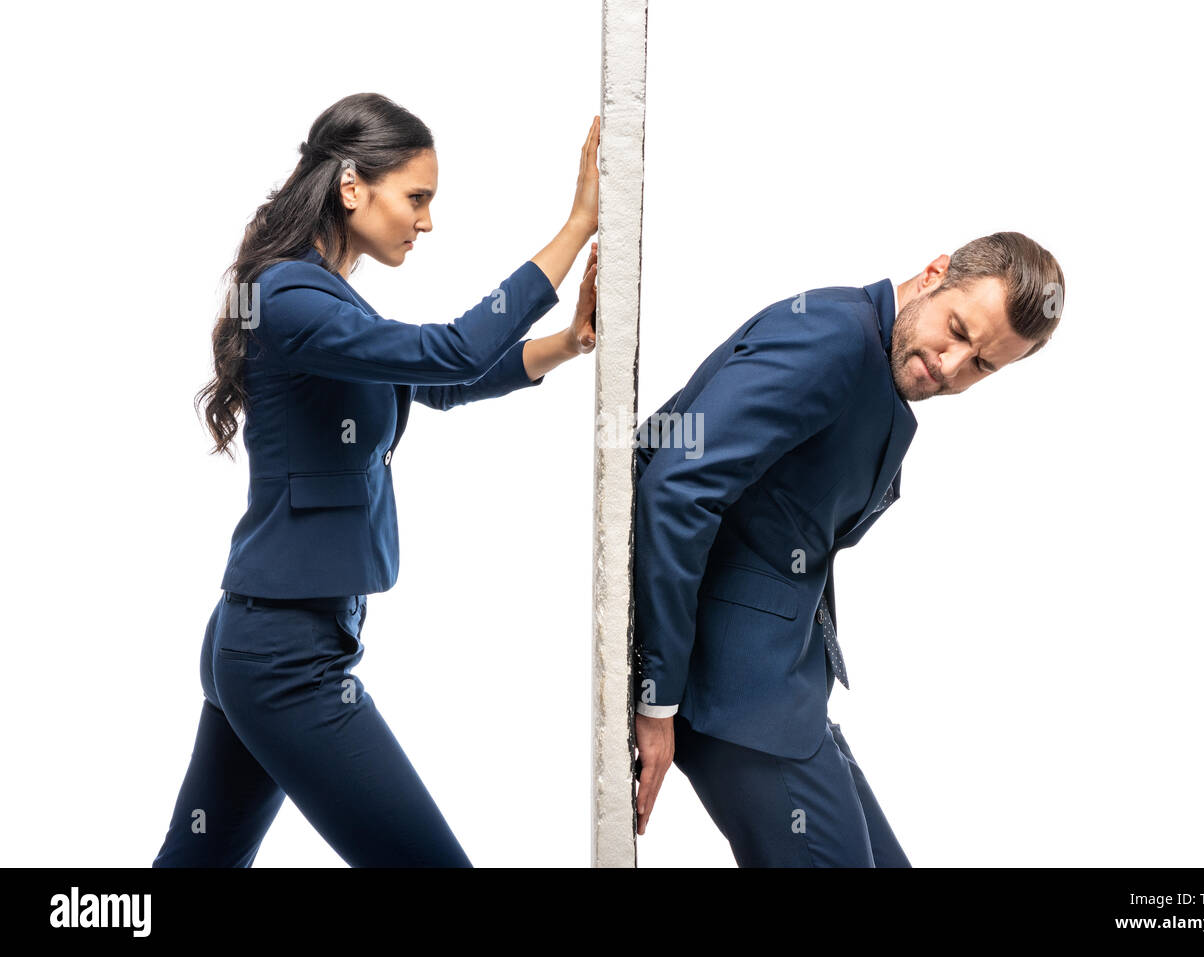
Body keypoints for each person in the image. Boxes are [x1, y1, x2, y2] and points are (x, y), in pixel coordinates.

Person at [153, 93, 600, 867]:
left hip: (270, 639)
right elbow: (452, 352)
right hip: (284, 658)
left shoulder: (325, 295)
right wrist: (576, 228)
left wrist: (567, 341)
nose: (425, 222)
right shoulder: (290, 296)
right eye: (416, 197)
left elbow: (441, 382)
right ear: (351, 186)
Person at [631, 231, 1065, 866]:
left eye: (983, 365)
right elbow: (675, 486)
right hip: (731, 698)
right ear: (935, 272)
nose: (951, 364)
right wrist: (656, 699)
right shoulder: (831, 339)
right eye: (957, 330)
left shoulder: (871, 357)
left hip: (787, 695)